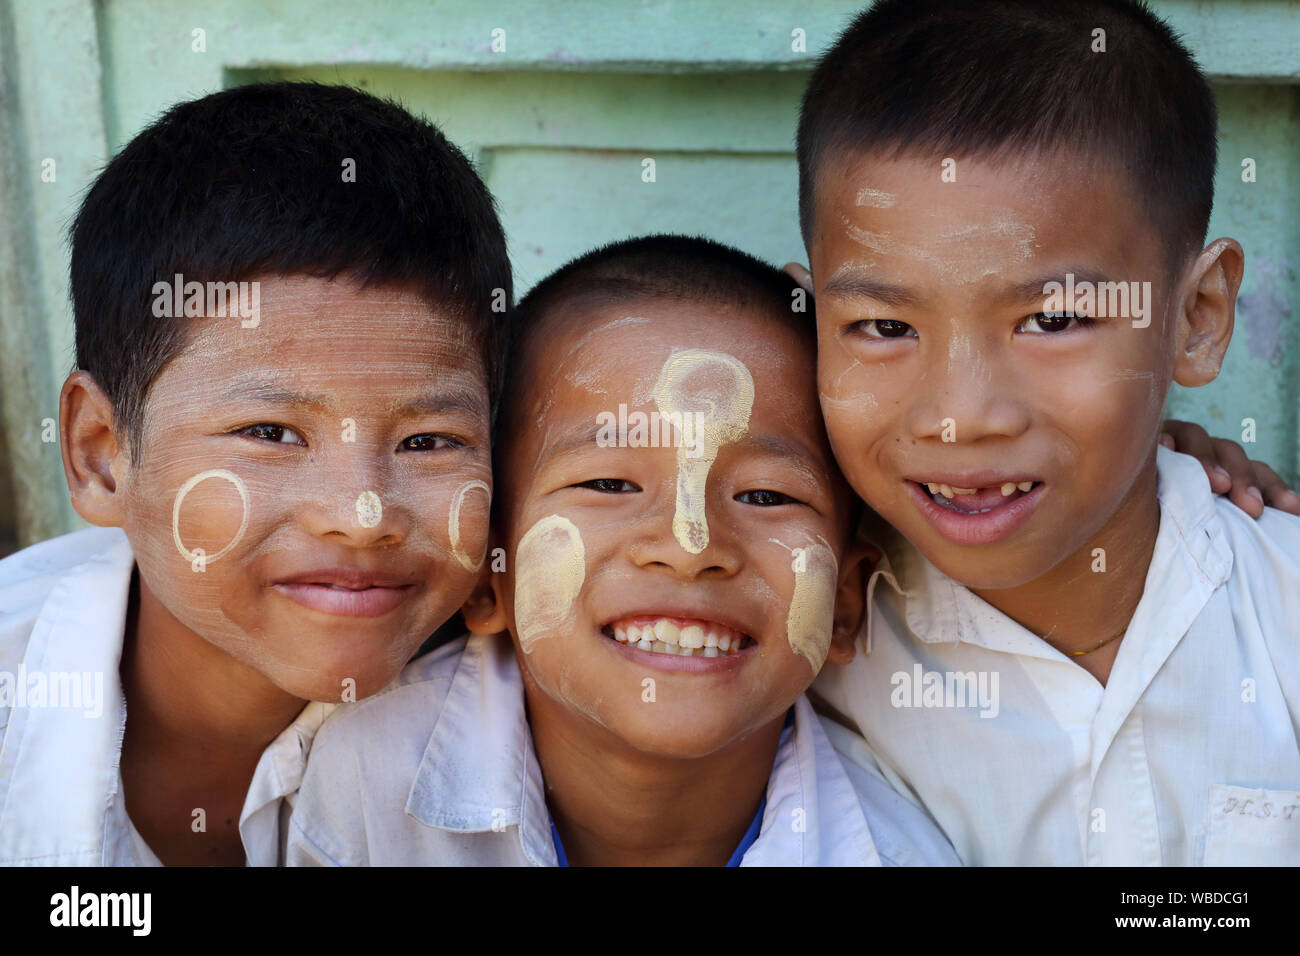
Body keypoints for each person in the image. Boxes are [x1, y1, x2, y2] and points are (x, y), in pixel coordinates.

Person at [796, 0, 1300, 864]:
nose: (960, 415)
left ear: (1199, 317)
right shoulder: (801, 653)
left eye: (1054, 318)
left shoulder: (1282, 617)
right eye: (884, 328)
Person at [285, 236, 961, 866]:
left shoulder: (894, 852)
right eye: (608, 483)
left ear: (845, 605)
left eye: (765, 496)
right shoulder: (364, 785)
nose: (690, 546)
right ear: (488, 576)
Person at [0, 82, 511, 865]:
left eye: (429, 441)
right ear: (100, 453)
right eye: (270, 432)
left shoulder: (529, 726)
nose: (363, 513)